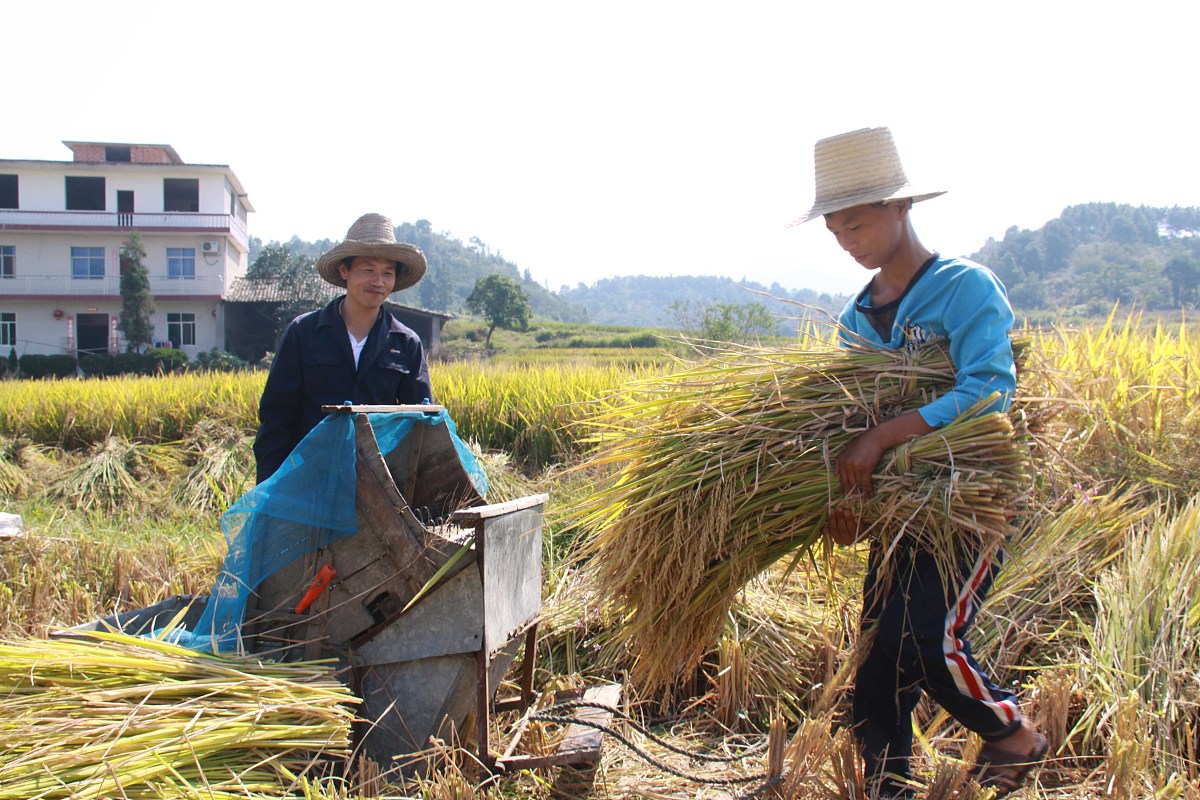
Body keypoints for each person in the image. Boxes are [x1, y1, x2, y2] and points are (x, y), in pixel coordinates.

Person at [789, 127, 1047, 798]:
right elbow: (842, 425)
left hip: (969, 500)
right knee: (877, 657)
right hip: (898, 514)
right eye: (836, 232)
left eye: (858, 223)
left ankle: (1013, 732)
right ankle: (887, 787)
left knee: (930, 643)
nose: (849, 242)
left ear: (902, 208)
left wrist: (881, 437)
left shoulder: (964, 288)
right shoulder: (855, 319)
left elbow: (988, 390)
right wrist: (847, 500)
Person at [253, 213, 433, 484]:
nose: (378, 281)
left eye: (387, 273)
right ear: (344, 271)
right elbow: (276, 417)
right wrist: (270, 489)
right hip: (308, 479)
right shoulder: (304, 333)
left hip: (378, 487)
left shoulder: (406, 343)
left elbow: (420, 424)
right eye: (368, 270)